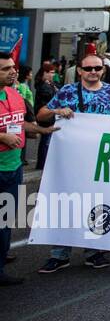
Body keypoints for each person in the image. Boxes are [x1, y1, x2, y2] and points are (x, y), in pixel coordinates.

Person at [36, 52, 110, 273]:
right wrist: (57, 111)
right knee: (66, 202)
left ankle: (94, 251)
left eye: (97, 68)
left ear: (103, 70)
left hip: (101, 161)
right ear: (79, 70)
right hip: (70, 161)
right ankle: (59, 254)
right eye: (88, 69)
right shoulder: (67, 92)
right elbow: (41, 115)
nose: (93, 72)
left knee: (97, 203)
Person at [1, 50, 57, 286]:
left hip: (13, 167)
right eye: (5, 69)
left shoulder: (13, 94)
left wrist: (42, 131)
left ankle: (1, 261)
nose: (12, 71)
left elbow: (19, 123)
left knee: (5, 219)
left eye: (13, 67)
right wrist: (2, 137)